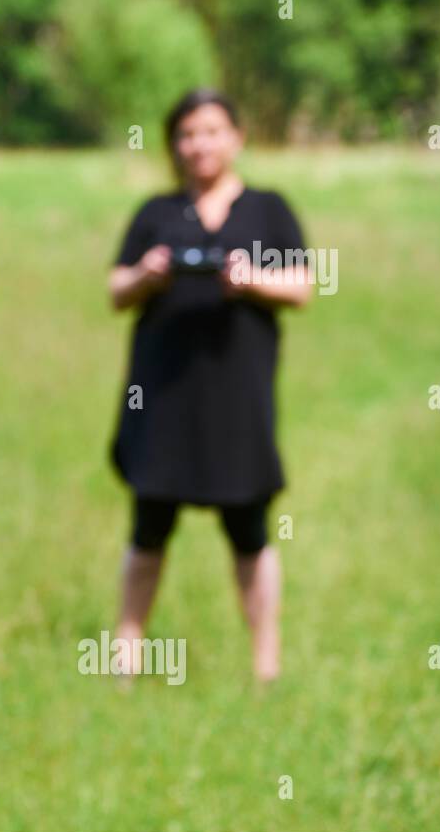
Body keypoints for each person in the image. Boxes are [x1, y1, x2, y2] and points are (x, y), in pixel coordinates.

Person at [107, 88, 313, 683]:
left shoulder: (269, 210)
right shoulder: (156, 213)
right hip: (163, 390)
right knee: (148, 525)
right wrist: (146, 276)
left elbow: (302, 287)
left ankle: (264, 668)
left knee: (249, 529)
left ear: (237, 137)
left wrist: (252, 281)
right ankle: (125, 659)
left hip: (237, 392)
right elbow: (114, 292)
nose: (200, 143)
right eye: (188, 133)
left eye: (212, 131)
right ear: (174, 144)